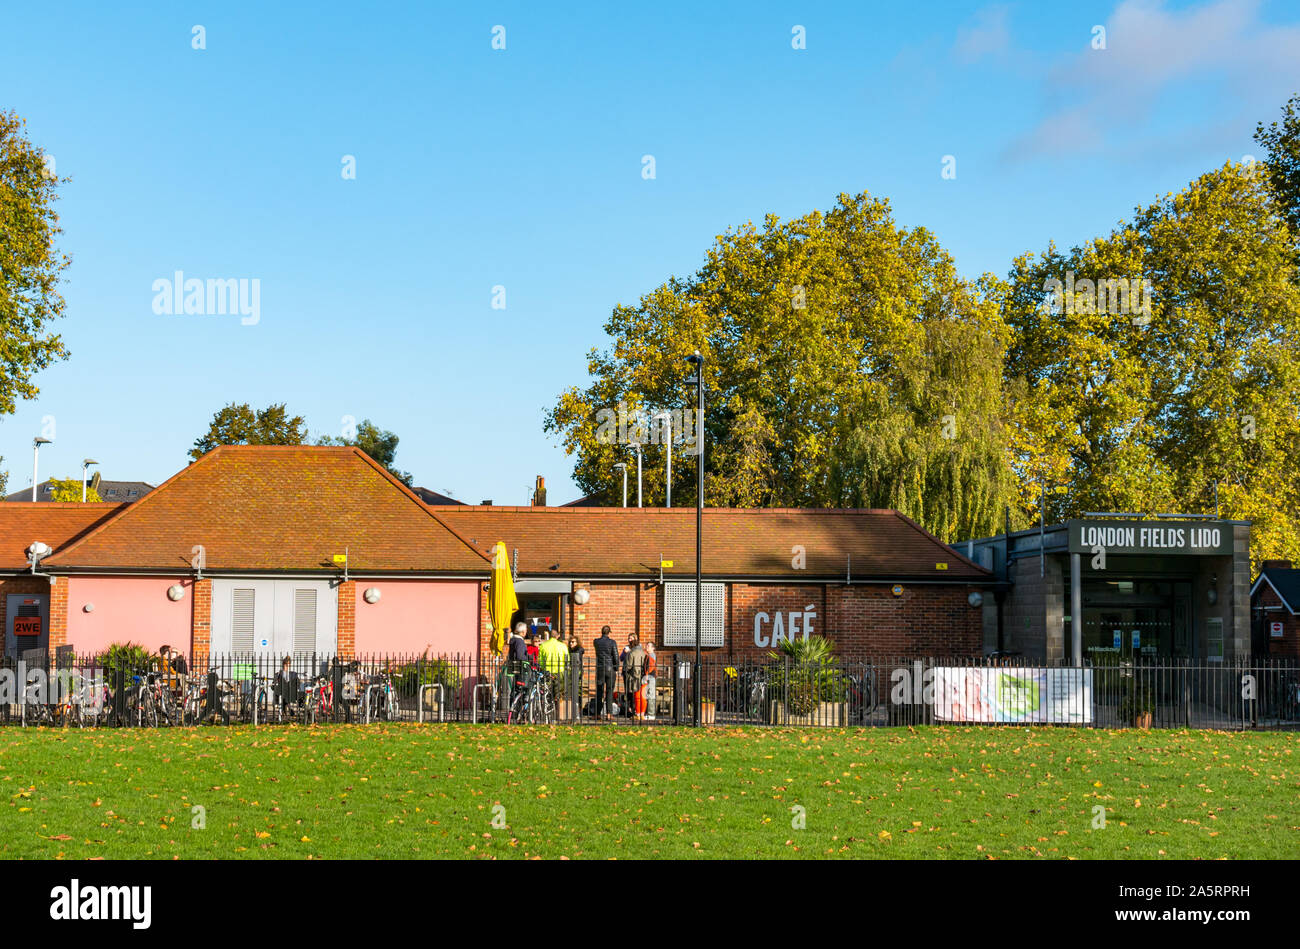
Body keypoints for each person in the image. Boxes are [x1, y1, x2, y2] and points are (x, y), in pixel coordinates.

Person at [593, 625, 619, 720]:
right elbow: (616, 656)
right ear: (609, 632)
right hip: (610, 668)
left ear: (602, 632)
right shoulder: (612, 642)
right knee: (609, 691)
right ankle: (609, 714)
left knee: (599, 691)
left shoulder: (596, 642)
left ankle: (597, 714)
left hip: (600, 668)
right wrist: (616, 668)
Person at [626, 637, 647, 720]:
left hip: (635, 676)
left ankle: (638, 714)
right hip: (644, 675)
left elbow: (629, 666)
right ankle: (642, 714)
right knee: (643, 696)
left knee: (637, 696)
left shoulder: (632, 653)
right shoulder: (643, 652)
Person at [620, 634, 639, 718]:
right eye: (629, 638)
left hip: (635, 672)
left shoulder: (638, 648)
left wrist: (630, 652)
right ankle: (629, 709)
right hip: (626, 672)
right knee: (627, 691)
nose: (629, 640)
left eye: (631, 638)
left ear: (635, 639)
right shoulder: (626, 647)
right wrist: (624, 653)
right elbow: (621, 658)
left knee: (634, 691)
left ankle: (635, 709)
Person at [643, 642, 658, 721]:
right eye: (647, 646)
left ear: (653, 648)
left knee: (651, 695)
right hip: (650, 676)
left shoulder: (651, 656)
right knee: (648, 694)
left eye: (649, 646)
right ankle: (649, 713)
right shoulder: (648, 656)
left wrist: (646, 675)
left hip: (650, 677)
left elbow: (651, 667)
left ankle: (651, 714)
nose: (647, 647)